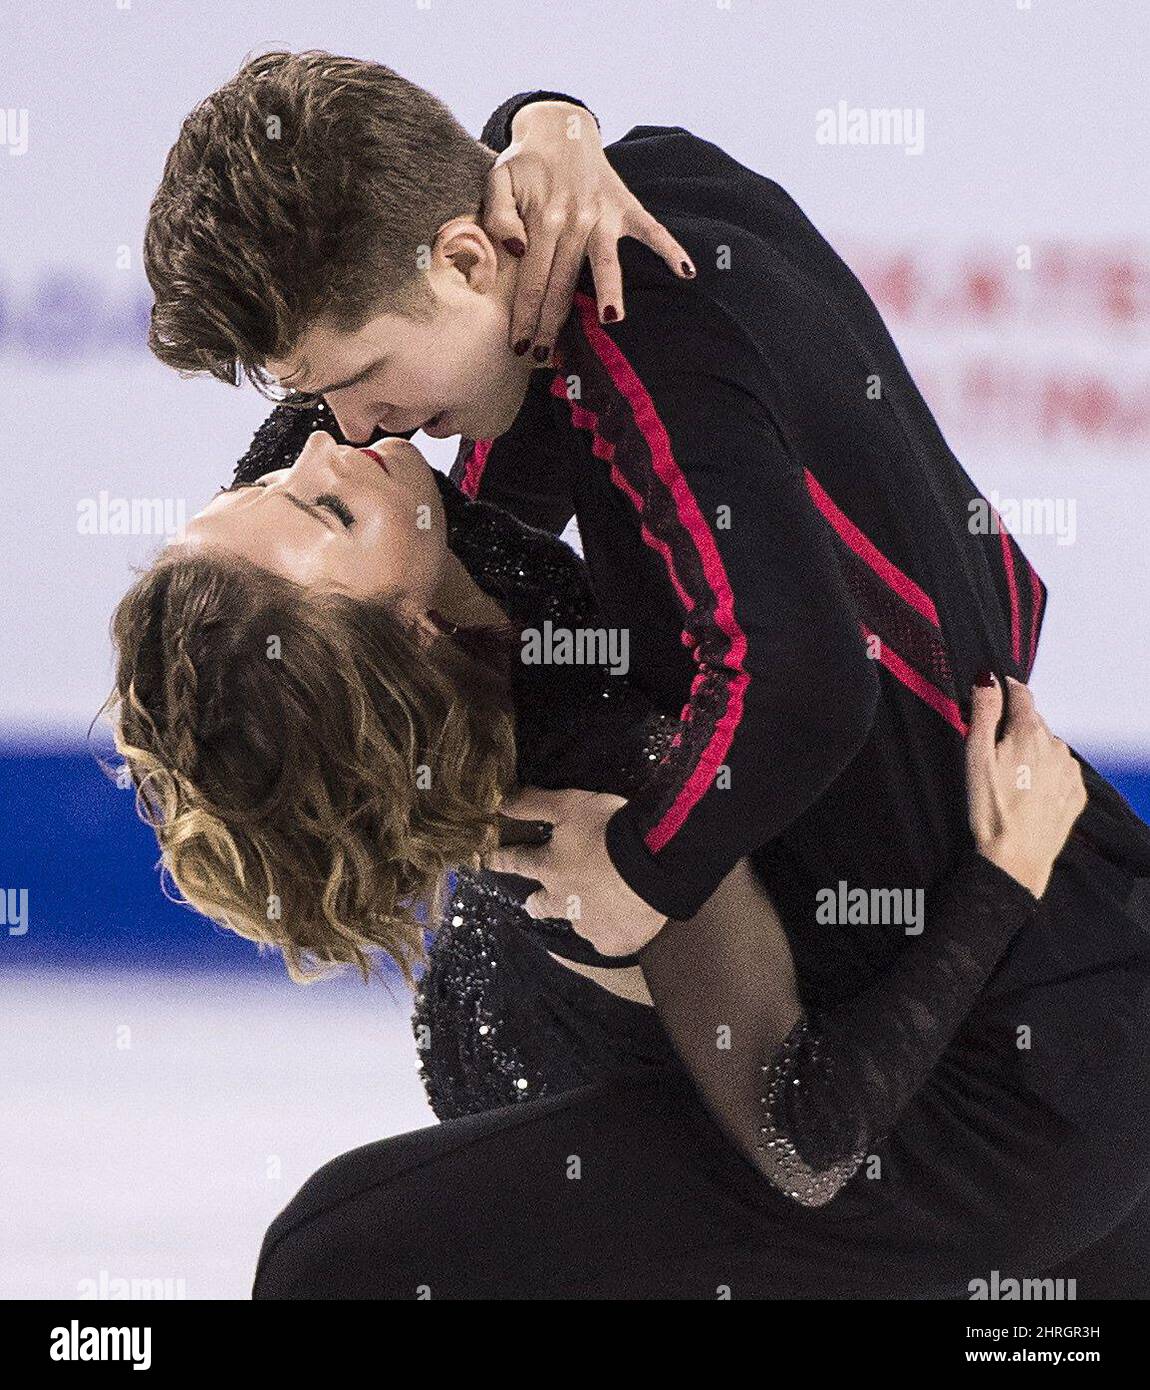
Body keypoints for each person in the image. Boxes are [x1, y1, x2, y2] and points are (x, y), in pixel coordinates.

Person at [131, 52, 1150, 1294]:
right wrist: (549, 123)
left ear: (466, 259)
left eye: (351, 389)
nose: (346, 438)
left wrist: (639, 868)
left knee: (327, 1259)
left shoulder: (629, 406)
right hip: (1007, 983)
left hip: (1015, 1054)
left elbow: (806, 691)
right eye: (307, 440)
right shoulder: (655, 181)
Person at [107, 430, 1137, 1298]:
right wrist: (1001, 884)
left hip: (562, 1051)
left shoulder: (385, 552)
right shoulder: (609, 785)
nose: (325, 448)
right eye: (319, 508)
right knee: (325, 1256)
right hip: (596, 1087)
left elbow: (320, 349)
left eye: (263, 481)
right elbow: (804, 1136)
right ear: (407, 636)